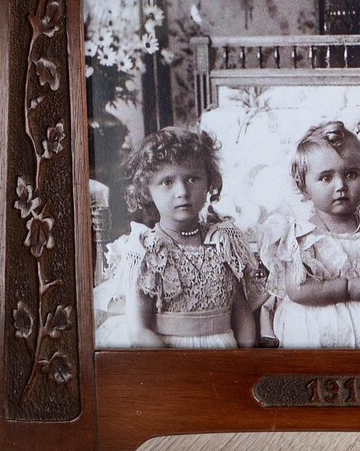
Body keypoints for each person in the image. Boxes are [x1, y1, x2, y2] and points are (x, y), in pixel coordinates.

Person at [93, 127, 265, 349]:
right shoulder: (146, 250)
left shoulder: (224, 242)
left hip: (225, 356)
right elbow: (139, 330)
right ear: (146, 190)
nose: (182, 191)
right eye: (167, 182)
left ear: (209, 181)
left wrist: (242, 360)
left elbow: (242, 316)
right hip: (169, 359)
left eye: (193, 178)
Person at [260, 121, 360, 349]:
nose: (341, 185)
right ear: (304, 186)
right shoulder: (301, 236)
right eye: (326, 178)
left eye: (351, 174)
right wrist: (347, 288)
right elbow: (297, 289)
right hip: (317, 329)